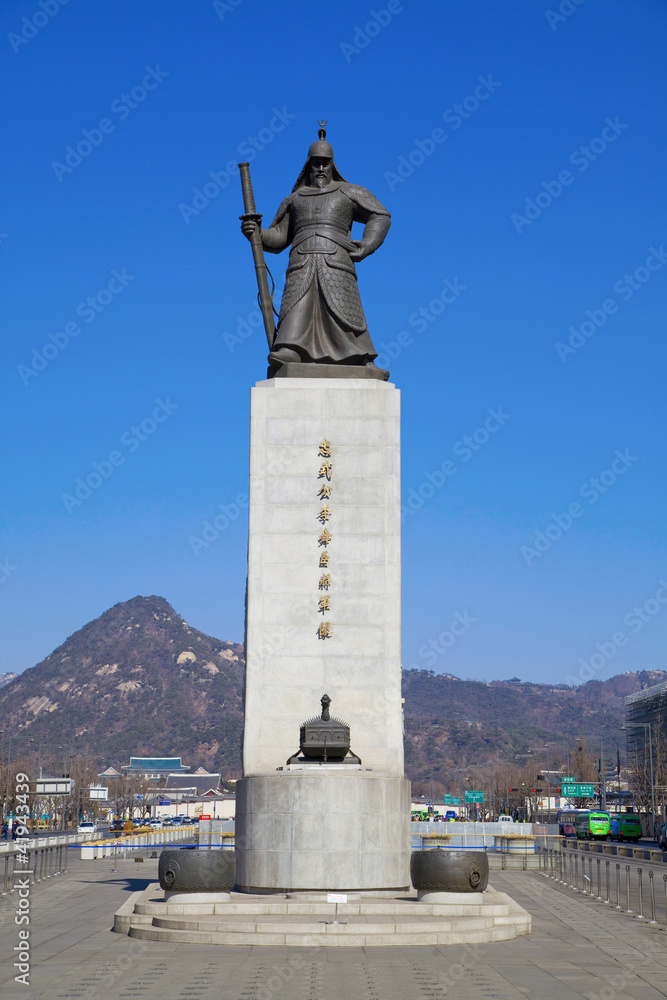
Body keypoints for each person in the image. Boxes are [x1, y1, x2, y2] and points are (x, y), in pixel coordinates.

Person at [241, 125, 391, 375]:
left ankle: (358, 356)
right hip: (301, 262)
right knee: (297, 307)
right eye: (316, 163)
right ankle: (292, 348)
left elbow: (380, 215)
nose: (321, 168)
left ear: (333, 165)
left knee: (344, 310)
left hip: (336, 262)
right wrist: (255, 232)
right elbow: (279, 237)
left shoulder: (349, 191)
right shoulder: (295, 199)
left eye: (325, 163)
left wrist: (367, 245)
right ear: (307, 165)